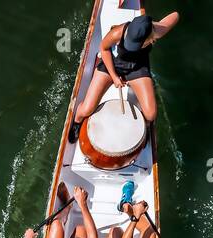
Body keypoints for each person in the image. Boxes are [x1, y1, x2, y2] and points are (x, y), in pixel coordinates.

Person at [68, 11, 180, 141]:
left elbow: (176, 15)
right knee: (87, 109)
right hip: (113, 64)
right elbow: (104, 49)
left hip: (137, 68)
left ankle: (143, 130)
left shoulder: (156, 32)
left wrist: (155, 27)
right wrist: (114, 77)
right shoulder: (117, 33)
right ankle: (77, 121)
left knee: (151, 115)